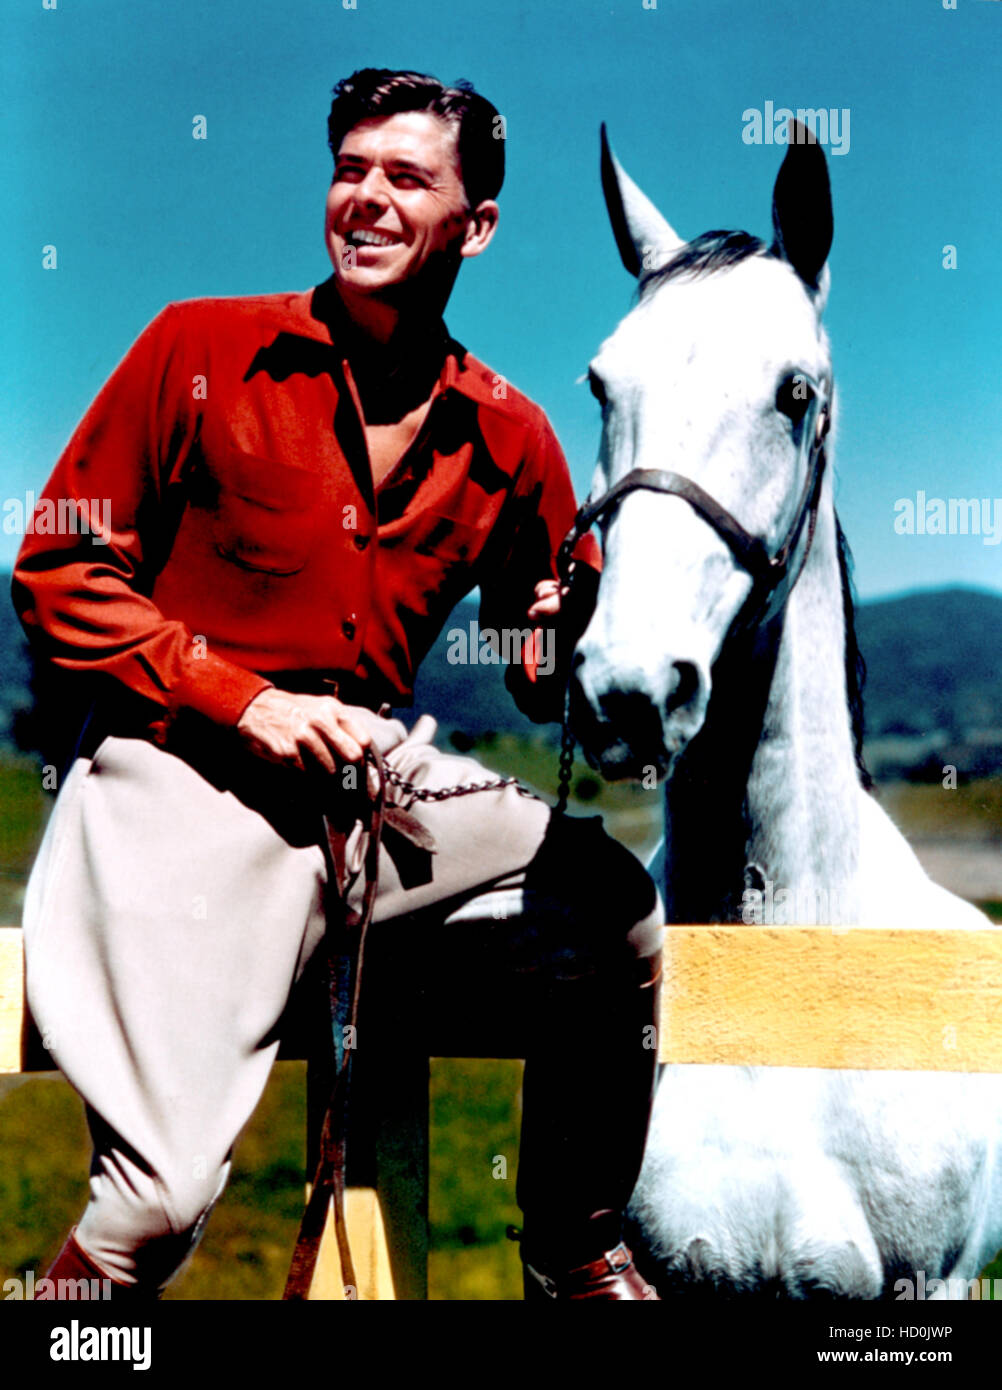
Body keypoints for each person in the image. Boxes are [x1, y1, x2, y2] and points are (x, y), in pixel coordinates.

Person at [13, 68, 664, 1301]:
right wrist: (243, 696)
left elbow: (536, 678)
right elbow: (60, 568)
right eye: (349, 169)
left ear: (476, 225)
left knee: (611, 904)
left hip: (374, 781)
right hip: (178, 765)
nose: (363, 199)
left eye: (406, 177)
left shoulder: (514, 435)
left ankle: (574, 1244)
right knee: (155, 1206)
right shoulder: (197, 348)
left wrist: (560, 627)